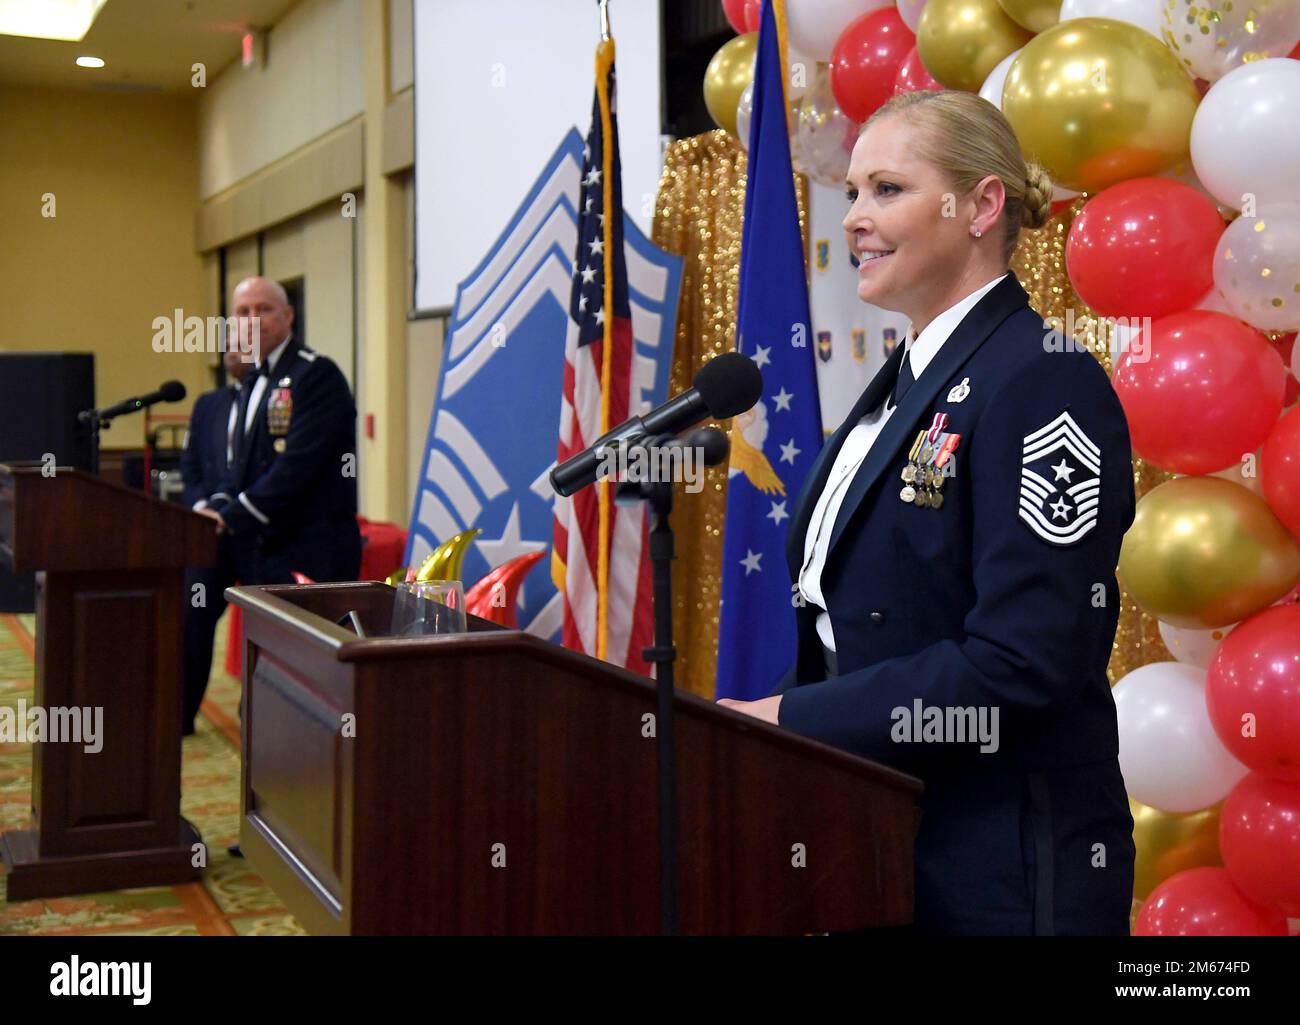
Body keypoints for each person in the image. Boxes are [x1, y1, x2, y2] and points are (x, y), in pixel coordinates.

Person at [718, 90, 1137, 935]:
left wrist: (787, 719)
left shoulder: (1042, 380)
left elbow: (1021, 667)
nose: (855, 222)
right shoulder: (903, 387)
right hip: (881, 843)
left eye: (886, 190)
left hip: (1003, 875)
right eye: (852, 195)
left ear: (981, 205)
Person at [197, 276, 362, 587]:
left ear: (288, 316)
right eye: (243, 312)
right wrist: (216, 506)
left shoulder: (315, 374)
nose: (252, 321)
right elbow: (242, 465)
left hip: (311, 550)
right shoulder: (253, 380)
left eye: (263, 309)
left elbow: (297, 466)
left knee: (309, 636)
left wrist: (231, 516)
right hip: (263, 548)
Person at [178, 341, 249, 736]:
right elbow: (189, 469)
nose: (231, 354)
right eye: (228, 348)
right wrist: (203, 507)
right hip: (209, 535)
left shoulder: (278, 400)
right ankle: (181, 714)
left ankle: (256, 720)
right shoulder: (208, 404)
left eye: (241, 347)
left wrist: (231, 513)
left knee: (267, 627)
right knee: (193, 618)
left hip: (258, 533)